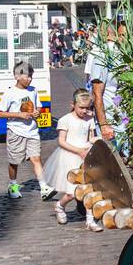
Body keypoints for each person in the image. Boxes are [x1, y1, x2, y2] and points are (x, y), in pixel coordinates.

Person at [45, 89, 104, 231]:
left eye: (87, 108)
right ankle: (60, 206)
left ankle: (90, 221)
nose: (84, 111)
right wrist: (78, 150)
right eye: (81, 108)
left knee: (88, 190)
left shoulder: (89, 120)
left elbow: (90, 137)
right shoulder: (65, 120)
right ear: (73, 104)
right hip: (70, 155)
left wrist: (98, 140)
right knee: (72, 193)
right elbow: (61, 141)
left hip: (85, 156)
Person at [0, 60, 53, 200]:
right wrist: (19, 114)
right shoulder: (10, 93)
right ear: (17, 76)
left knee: (36, 158)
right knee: (14, 162)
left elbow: (38, 107)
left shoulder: (33, 90)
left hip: (32, 131)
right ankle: (12, 185)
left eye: (31, 77)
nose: (29, 79)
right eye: (27, 77)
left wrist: (37, 112)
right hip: (15, 131)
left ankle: (44, 187)